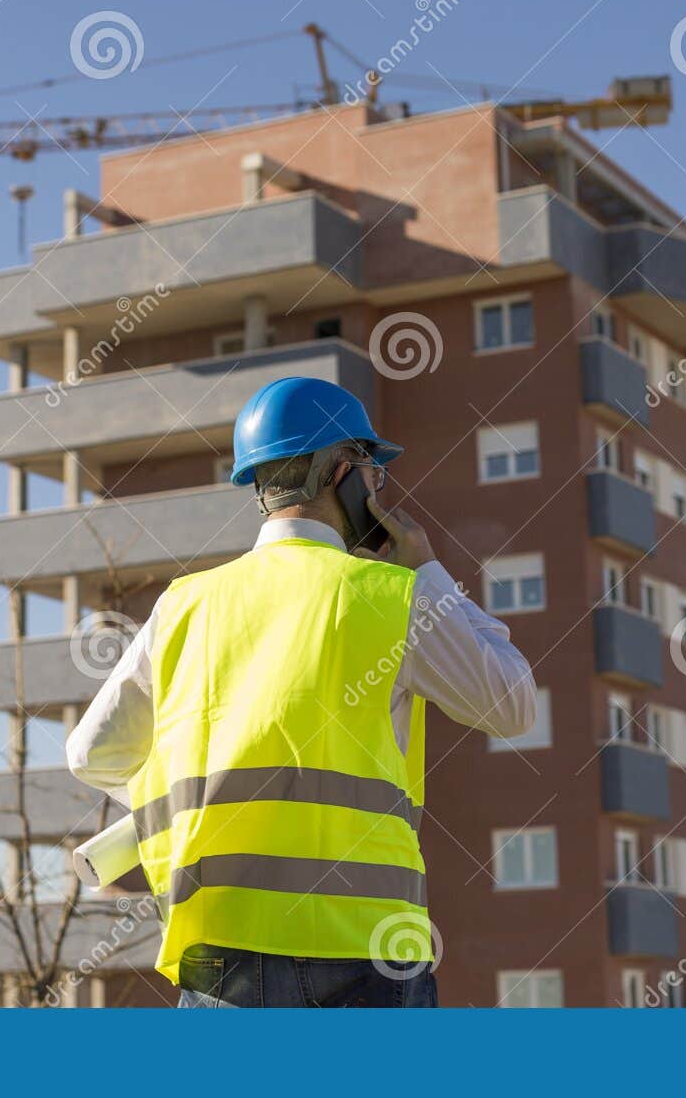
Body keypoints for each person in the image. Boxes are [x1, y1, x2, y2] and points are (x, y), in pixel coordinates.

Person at [66, 376, 537, 1007]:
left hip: (220, 961)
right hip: (364, 955)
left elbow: (90, 755)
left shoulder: (183, 606)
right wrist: (427, 571)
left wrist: (188, 803)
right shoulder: (390, 596)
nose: (379, 489)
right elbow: (513, 703)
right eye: (374, 473)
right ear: (343, 471)